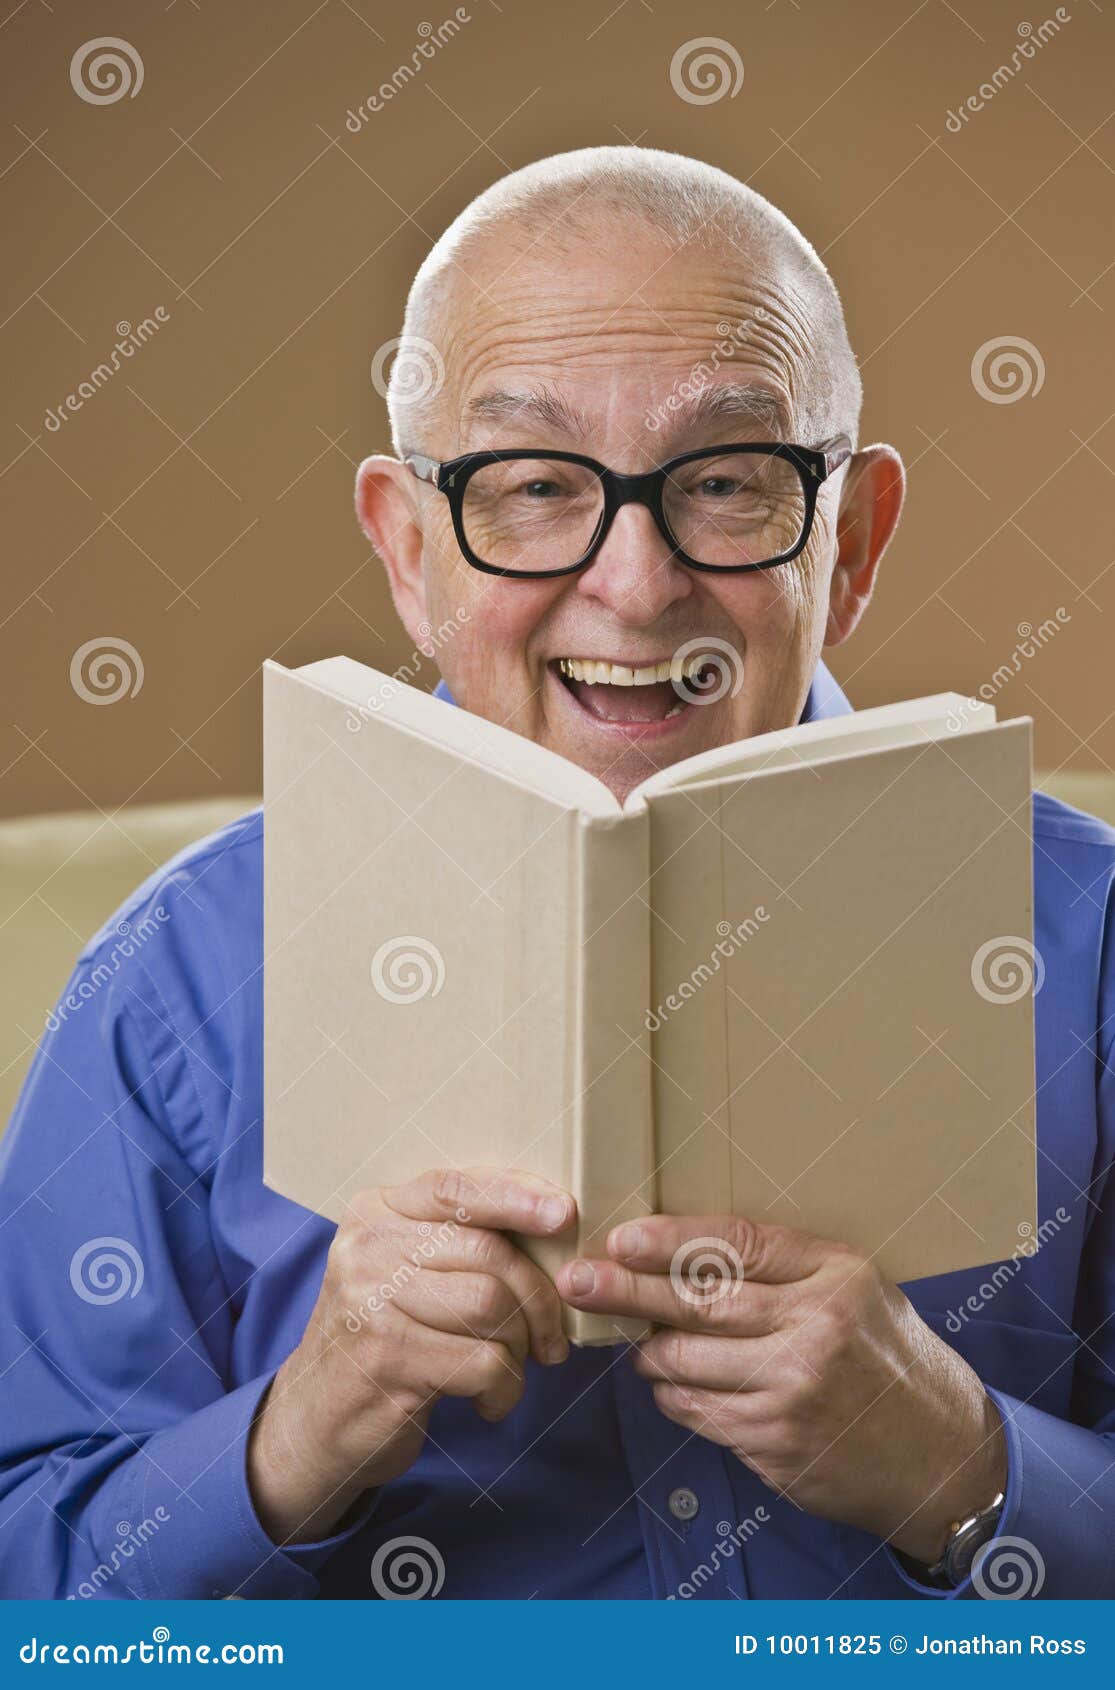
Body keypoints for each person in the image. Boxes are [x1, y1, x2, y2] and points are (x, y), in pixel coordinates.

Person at [1, 148, 1112, 1601]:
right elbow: (29, 1590)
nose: (637, 582)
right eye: (532, 486)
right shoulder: (178, 981)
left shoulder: (1089, 946)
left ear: (854, 542)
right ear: (409, 550)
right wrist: (300, 1428)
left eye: (724, 480)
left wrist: (962, 1462)